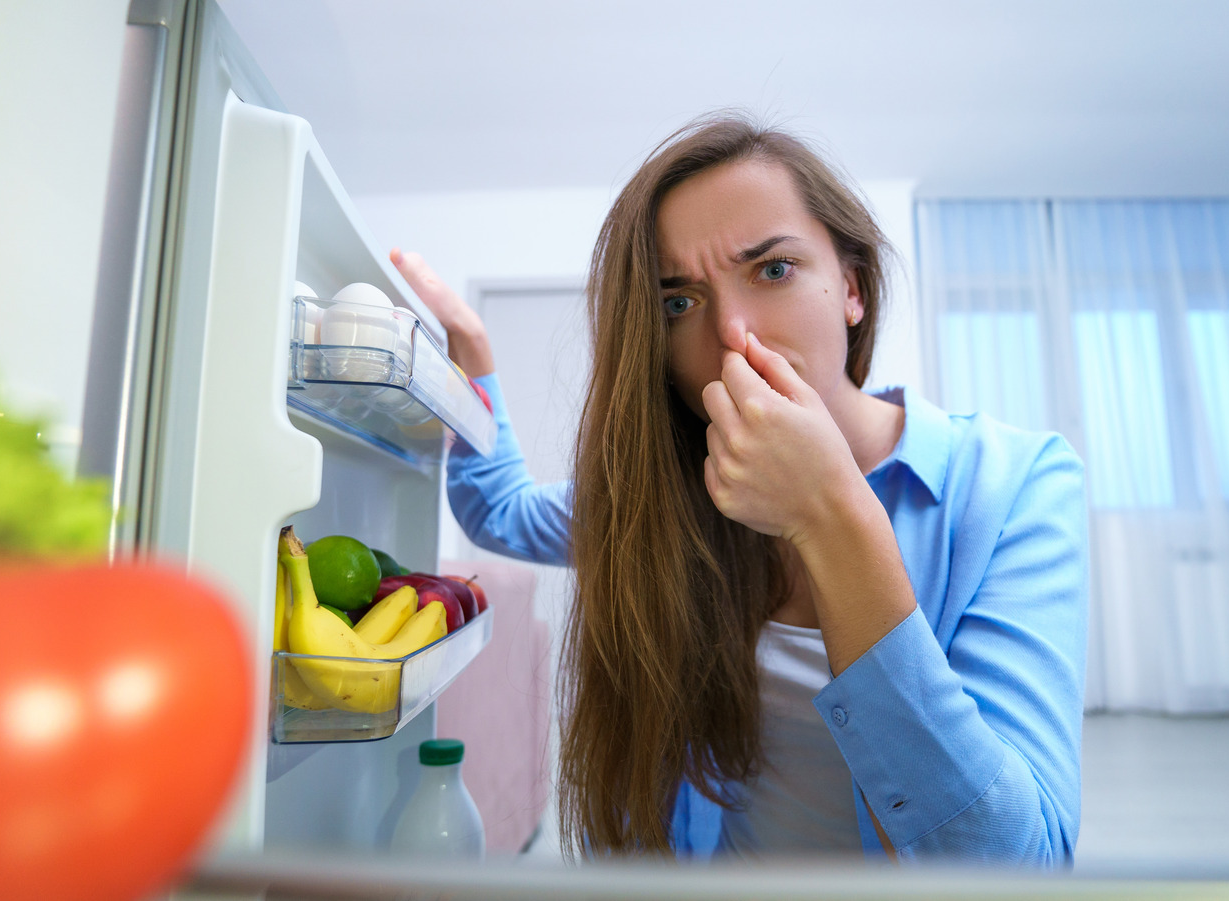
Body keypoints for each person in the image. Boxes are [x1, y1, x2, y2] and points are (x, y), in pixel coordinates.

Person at [389, 113, 1087, 865]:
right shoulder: (668, 498)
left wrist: (830, 513)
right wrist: (474, 359)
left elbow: (1016, 864)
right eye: (678, 303)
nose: (732, 333)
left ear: (851, 287)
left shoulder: (1013, 485)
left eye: (774, 269)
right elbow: (503, 512)